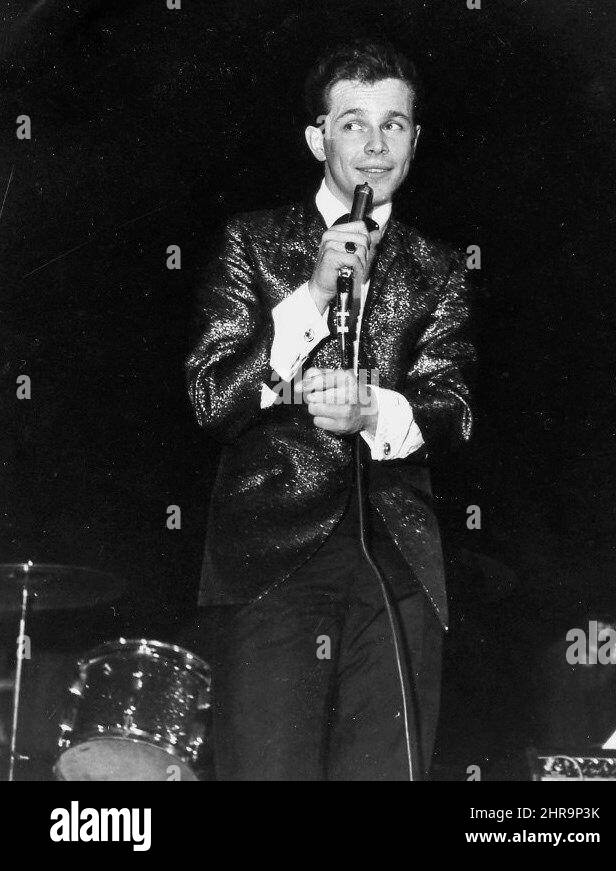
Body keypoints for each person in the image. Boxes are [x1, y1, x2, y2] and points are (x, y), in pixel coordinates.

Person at [186, 39, 474, 780]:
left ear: (414, 140)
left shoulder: (437, 266)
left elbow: (456, 408)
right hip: (274, 561)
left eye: (395, 126)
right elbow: (213, 397)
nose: (376, 146)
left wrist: (375, 411)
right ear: (317, 138)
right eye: (354, 124)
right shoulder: (252, 241)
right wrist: (313, 295)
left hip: (397, 566)